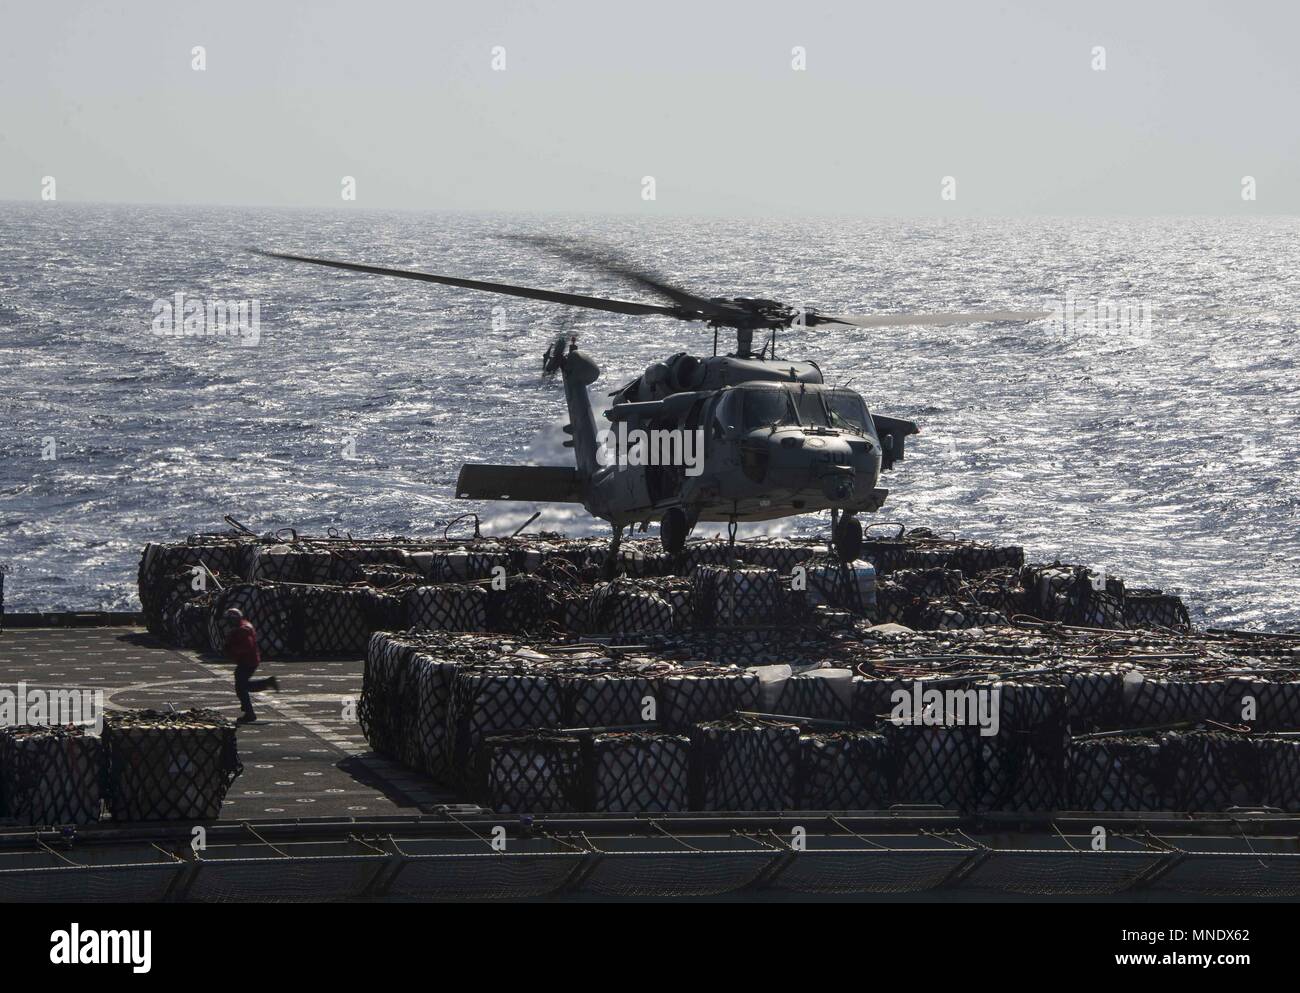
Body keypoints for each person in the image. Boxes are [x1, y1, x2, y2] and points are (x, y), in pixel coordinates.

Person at [223, 607, 279, 722]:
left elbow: (247, 646)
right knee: (241, 686)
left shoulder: (243, 629)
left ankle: (250, 711)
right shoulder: (243, 626)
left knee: (241, 687)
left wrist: (232, 649)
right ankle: (249, 710)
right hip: (248, 660)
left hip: (248, 661)